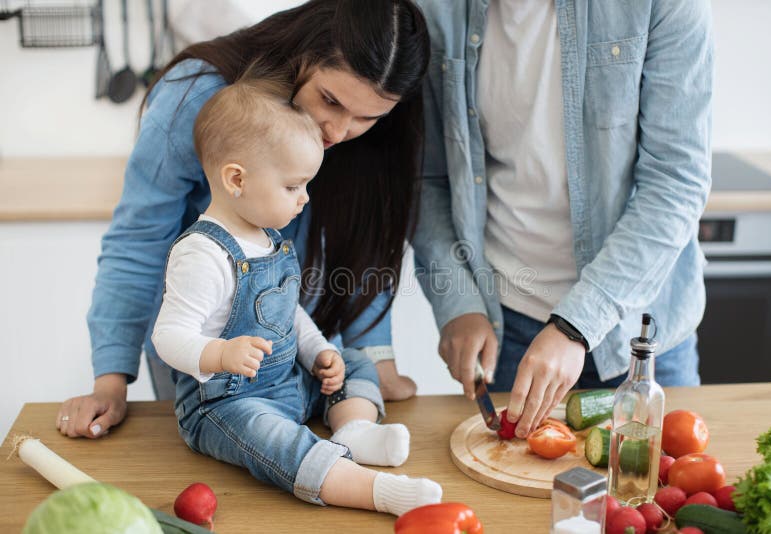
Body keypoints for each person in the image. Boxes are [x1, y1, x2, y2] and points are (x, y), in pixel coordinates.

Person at [57, 0, 430, 440]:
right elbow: (138, 243)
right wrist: (110, 382)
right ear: (303, 55)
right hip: (205, 342)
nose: (337, 129)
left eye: (367, 117)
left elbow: (366, 240)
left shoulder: (361, 132)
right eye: (329, 100)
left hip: (296, 330)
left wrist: (374, 355)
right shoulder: (195, 95)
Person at [413, 0, 713, 439]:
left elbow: (675, 181)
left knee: (657, 499)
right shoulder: (432, 10)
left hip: (640, 335)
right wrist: (457, 300)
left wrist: (576, 324)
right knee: (512, 502)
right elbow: (428, 179)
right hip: (507, 327)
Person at [150, 78, 441, 513]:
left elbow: (290, 313)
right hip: (230, 404)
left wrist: (318, 351)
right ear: (236, 180)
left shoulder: (268, 239)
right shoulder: (202, 254)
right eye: (292, 187)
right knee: (276, 441)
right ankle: (376, 492)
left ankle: (354, 431)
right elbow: (168, 336)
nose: (305, 199)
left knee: (355, 361)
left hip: (286, 383)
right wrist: (219, 354)